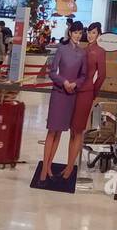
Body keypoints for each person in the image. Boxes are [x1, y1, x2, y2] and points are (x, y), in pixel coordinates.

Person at [41, 22, 88, 178]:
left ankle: (49, 166)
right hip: (59, 93)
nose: (77, 36)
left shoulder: (82, 53)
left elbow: (83, 75)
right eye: (75, 33)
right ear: (70, 33)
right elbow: (52, 72)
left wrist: (75, 84)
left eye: (80, 33)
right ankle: (44, 167)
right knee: (52, 131)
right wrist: (64, 82)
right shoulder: (61, 49)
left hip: (71, 96)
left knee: (60, 132)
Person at [65, 22, 108, 179]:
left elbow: (102, 75)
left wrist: (93, 92)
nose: (90, 35)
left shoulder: (99, 52)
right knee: (72, 129)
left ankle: (71, 168)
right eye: (89, 32)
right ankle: (69, 164)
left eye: (94, 32)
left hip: (86, 92)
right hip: (76, 91)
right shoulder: (82, 49)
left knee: (78, 129)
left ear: (99, 35)